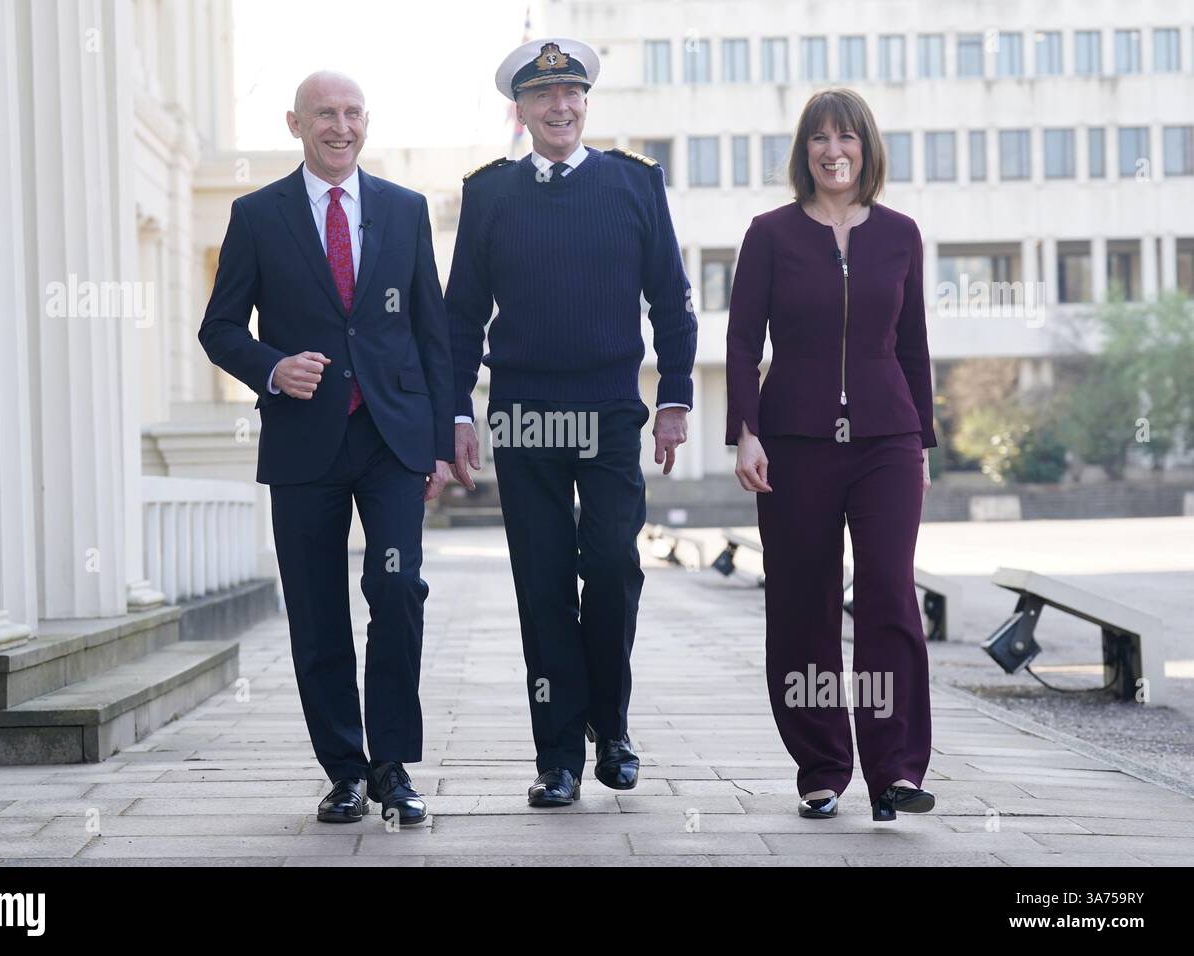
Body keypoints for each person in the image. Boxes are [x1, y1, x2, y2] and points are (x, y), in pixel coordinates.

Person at [445, 38, 698, 808]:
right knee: (544, 582)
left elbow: (672, 300)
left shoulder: (634, 184)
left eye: (572, 93)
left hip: (611, 412)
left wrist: (677, 398)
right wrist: (458, 410)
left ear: (585, 103)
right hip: (523, 417)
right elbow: (460, 317)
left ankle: (611, 729)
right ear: (518, 111)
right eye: (543, 97)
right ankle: (557, 755)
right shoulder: (488, 195)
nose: (560, 107)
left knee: (615, 568)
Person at [198, 71, 454, 827]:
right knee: (316, 611)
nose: (339, 127)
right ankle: (344, 771)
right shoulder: (256, 215)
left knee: (398, 593)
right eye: (323, 115)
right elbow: (219, 328)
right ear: (295, 123)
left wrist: (439, 443)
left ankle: (394, 768)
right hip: (303, 441)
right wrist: (272, 367)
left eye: (351, 114)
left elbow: (431, 332)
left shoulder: (405, 212)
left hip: (391, 438)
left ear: (365, 123)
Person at [725, 87, 938, 823]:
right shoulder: (771, 234)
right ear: (804, 151)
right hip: (793, 444)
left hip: (887, 441)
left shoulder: (901, 234)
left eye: (846, 137)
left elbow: (912, 347)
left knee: (888, 595)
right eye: (819, 138)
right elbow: (744, 341)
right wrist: (745, 431)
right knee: (801, 604)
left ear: (866, 148)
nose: (833, 149)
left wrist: (923, 445)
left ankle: (896, 771)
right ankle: (821, 767)